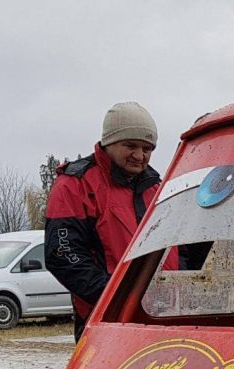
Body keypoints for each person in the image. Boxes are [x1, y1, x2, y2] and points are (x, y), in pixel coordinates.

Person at [44, 102, 165, 341]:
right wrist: (117, 297)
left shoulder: (156, 187)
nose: (139, 156)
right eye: (130, 145)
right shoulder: (75, 184)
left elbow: (176, 247)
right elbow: (63, 255)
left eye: (147, 148)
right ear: (109, 142)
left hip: (160, 315)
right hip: (104, 319)